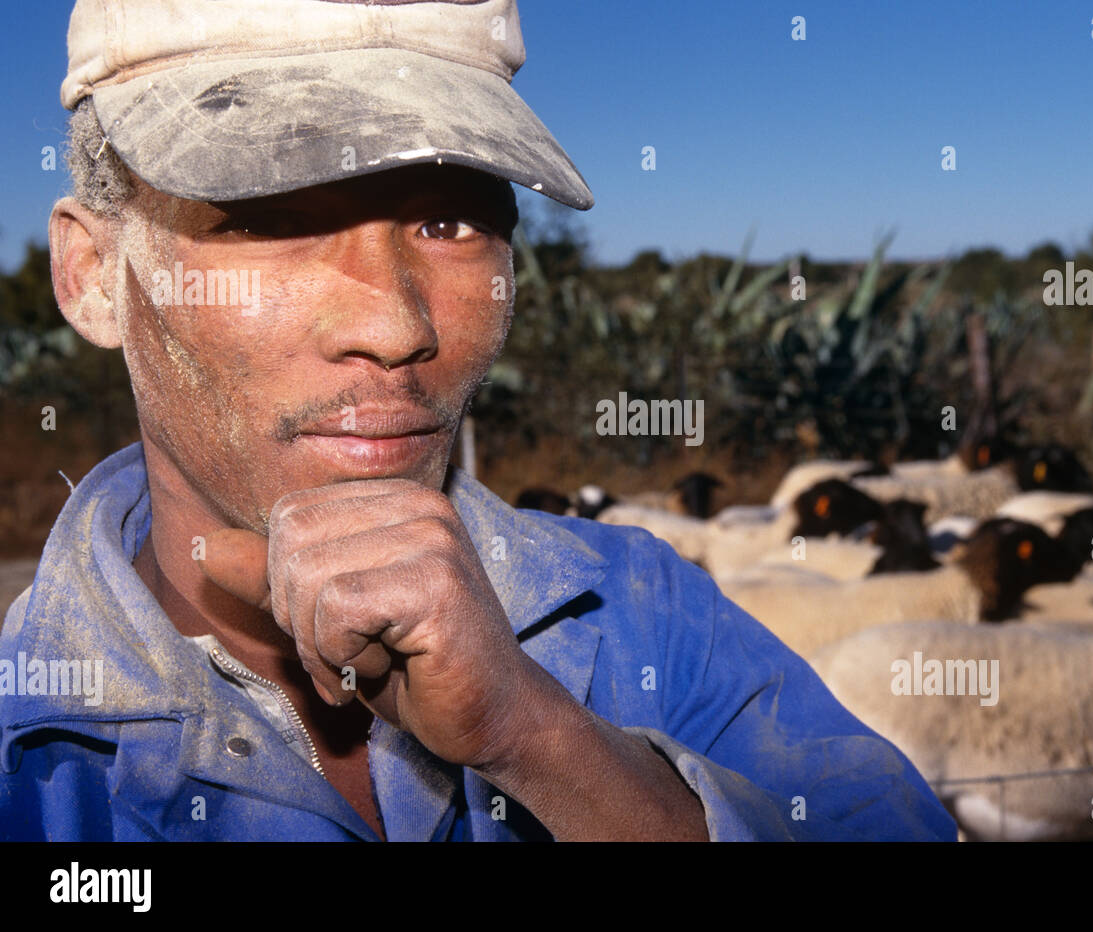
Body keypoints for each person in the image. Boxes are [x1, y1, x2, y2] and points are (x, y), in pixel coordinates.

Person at [0, 0, 955, 842]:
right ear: (93, 277)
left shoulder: (651, 617)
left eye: (449, 222)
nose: (396, 324)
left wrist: (541, 742)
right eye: (273, 217)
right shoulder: (28, 755)